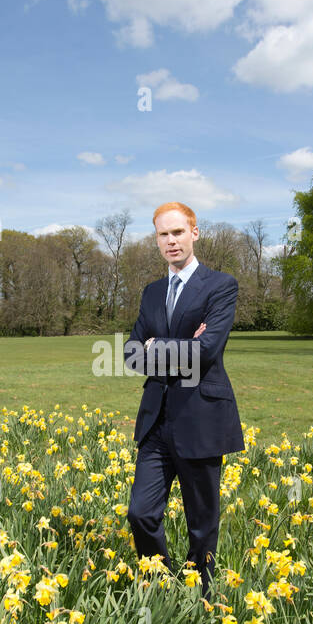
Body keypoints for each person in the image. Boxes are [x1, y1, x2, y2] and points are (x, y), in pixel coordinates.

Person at [124, 201, 244, 601]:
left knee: (201, 520)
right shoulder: (152, 292)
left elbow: (207, 351)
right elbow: (129, 353)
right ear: (156, 240)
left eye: (178, 232)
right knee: (140, 512)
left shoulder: (220, 285)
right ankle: (160, 586)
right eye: (163, 234)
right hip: (157, 419)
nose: (171, 241)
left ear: (194, 233)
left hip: (201, 416)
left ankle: (200, 593)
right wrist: (179, 345)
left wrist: (158, 346)